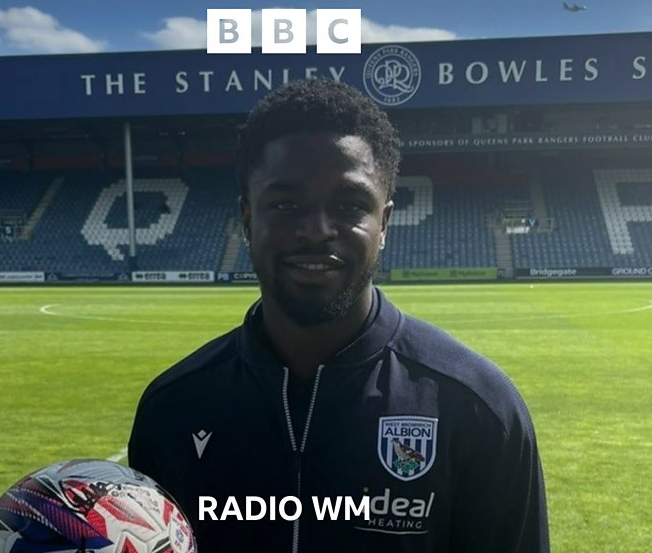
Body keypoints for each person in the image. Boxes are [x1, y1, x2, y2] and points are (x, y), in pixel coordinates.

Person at [129, 78, 548, 552]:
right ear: (247, 219)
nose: (316, 230)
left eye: (350, 205)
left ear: (384, 223)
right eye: (285, 204)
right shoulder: (172, 408)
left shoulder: (477, 407)